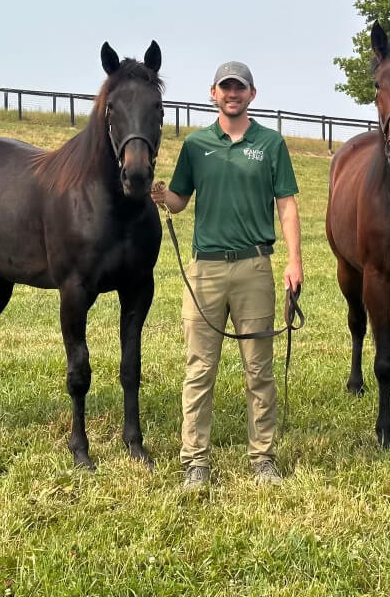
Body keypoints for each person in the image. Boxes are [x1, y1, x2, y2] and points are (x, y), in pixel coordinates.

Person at [152, 60, 302, 490]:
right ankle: (195, 461)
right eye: (225, 87)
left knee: (259, 368)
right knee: (200, 367)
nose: (232, 94)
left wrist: (295, 260)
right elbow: (180, 201)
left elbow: (287, 205)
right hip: (206, 270)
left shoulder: (271, 144)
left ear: (252, 95)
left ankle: (263, 458)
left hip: (256, 267)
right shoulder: (196, 145)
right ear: (213, 93)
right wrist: (163, 197)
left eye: (240, 88)